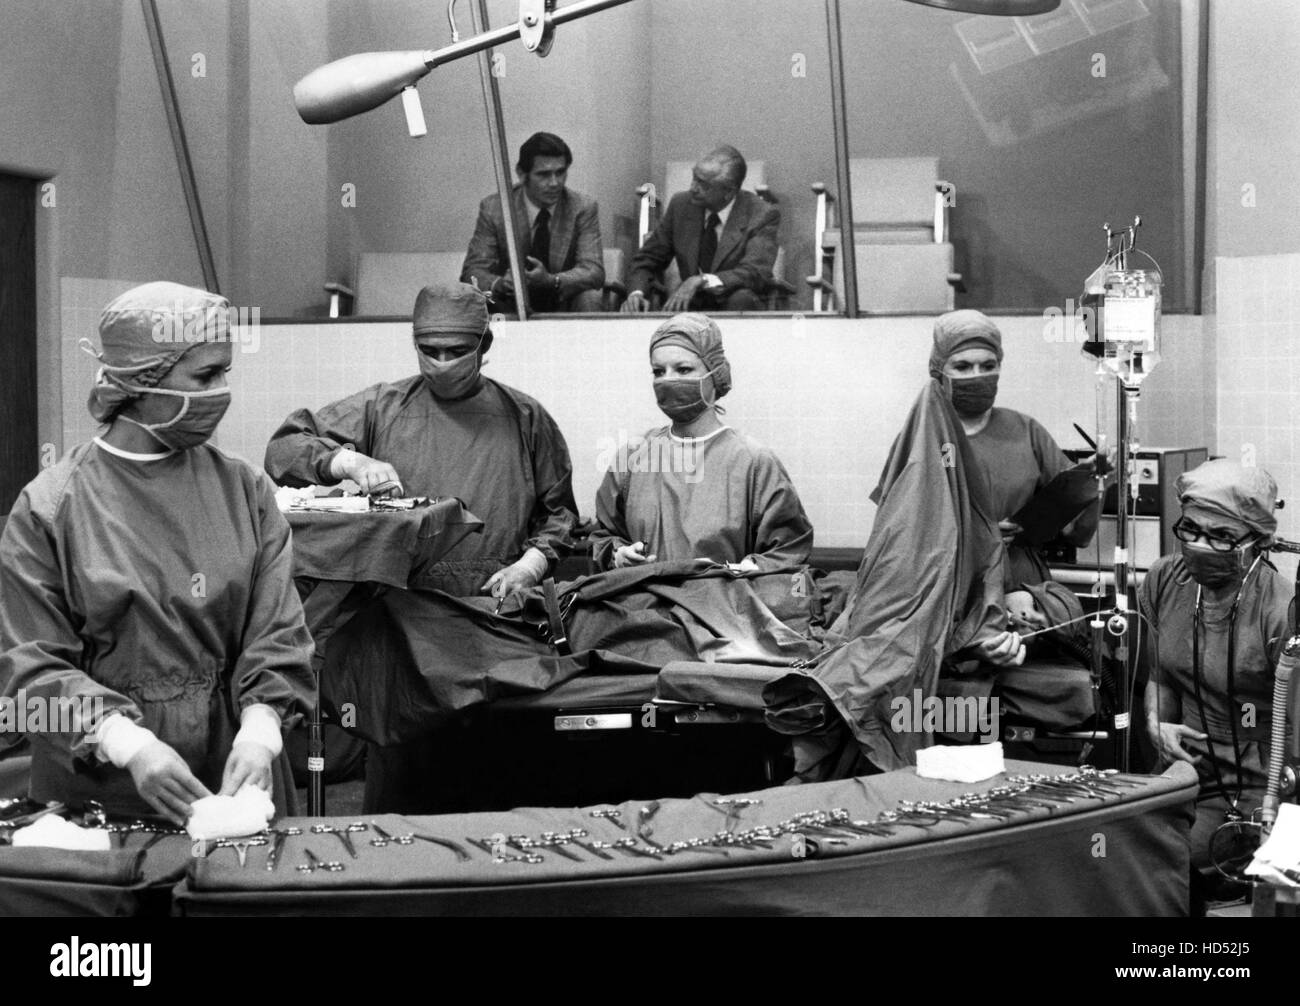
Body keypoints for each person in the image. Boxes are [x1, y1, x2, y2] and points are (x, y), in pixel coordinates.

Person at [0, 282, 315, 825]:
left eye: (225, 374)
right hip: (104, 782)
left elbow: (278, 632)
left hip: (235, 772)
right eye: (205, 376)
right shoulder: (53, 507)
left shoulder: (244, 490)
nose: (221, 392)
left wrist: (262, 730)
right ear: (141, 382)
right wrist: (127, 744)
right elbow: (31, 668)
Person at [264, 282, 578, 600]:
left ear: (485, 345)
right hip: (398, 613)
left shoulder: (525, 418)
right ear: (415, 344)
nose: (442, 362)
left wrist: (530, 567)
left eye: (456, 351)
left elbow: (560, 514)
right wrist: (347, 461)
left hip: (495, 606)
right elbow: (284, 449)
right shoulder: (382, 408)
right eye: (430, 351)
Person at [1140, 460, 1291, 893]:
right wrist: (1156, 724)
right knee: (1110, 853)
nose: (1200, 545)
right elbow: (1161, 677)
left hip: (1258, 791)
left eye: (1222, 537)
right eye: (1190, 529)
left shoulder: (1279, 611)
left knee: (1164, 868)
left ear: (1258, 542)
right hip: (1182, 777)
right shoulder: (1165, 581)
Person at [590, 313, 812, 572]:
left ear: (715, 374)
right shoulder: (633, 456)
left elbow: (789, 549)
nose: (668, 380)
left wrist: (752, 569)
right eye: (659, 371)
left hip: (721, 607)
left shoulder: (753, 461)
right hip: (642, 606)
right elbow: (602, 537)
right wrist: (618, 555)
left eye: (683, 369)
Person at [929, 309, 1101, 592]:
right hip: (949, 588)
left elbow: (1077, 534)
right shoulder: (926, 438)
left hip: (1022, 590)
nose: (977, 375)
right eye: (962, 367)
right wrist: (979, 534)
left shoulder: (1025, 431)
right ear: (939, 370)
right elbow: (903, 529)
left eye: (988, 365)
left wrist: (1094, 482)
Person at [460, 131, 605, 314]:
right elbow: (472, 273)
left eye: (560, 172)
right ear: (522, 174)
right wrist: (500, 284)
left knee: (590, 297)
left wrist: (552, 280)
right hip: (509, 304)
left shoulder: (582, 208)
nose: (554, 183)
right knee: (477, 299)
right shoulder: (495, 208)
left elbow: (593, 271)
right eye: (543, 175)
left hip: (562, 301)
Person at [622, 146, 778, 314]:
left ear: (729, 191)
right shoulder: (681, 204)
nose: (693, 188)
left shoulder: (761, 213)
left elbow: (755, 272)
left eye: (703, 184)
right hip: (688, 305)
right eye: (694, 178)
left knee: (741, 298)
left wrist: (703, 280)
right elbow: (647, 259)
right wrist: (636, 293)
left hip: (734, 304)